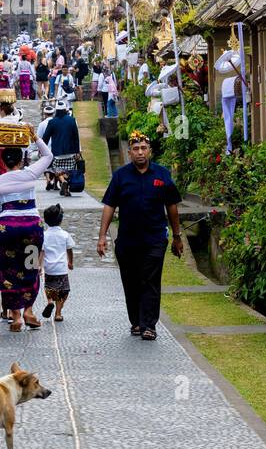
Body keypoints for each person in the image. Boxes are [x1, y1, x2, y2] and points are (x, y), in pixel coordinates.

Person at [98, 132, 183, 341]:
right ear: (129, 153)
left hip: (155, 239)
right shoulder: (120, 176)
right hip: (127, 240)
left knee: (150, 280)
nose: (140, 152)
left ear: (150, 151)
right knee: (131, 281)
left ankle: (149, 325)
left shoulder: (162, 175)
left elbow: (171, 207)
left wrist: (177, 236)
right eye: (136, 149)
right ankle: (136, 321)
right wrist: (102, 236)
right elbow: (110, 205)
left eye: (144, 148)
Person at [0, 136, 54, 332]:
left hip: (7, 227)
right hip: (32, 227)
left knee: (8, 269)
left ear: (2, 161)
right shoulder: (30, 173)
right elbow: (48, 155)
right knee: (31, 266)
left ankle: (15, 315)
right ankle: (28, 310)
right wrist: (34, 137)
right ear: (21, 160)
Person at [40, 203, 74, 322]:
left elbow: (41, 252)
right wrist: (70, 262)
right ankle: (58, 313)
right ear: (61, 220)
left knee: (49, 287)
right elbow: (69, 250)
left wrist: (39, 266)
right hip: (61, 268)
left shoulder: (44, 235)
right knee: (63, 291)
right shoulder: (65, 235)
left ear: (46, 220)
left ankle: (50, 301)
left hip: (49, 268)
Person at [42, 99, 81, 199]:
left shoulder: (52, 122)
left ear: (56, 111)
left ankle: (62, 181)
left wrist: (42, 149)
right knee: (69, 171)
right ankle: (66, 189)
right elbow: (76, 137)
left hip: (57, 153)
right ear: (65, 110)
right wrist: (77, 151)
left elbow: (45, 137)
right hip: (70, 152)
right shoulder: (72, 120)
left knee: (57, 170)